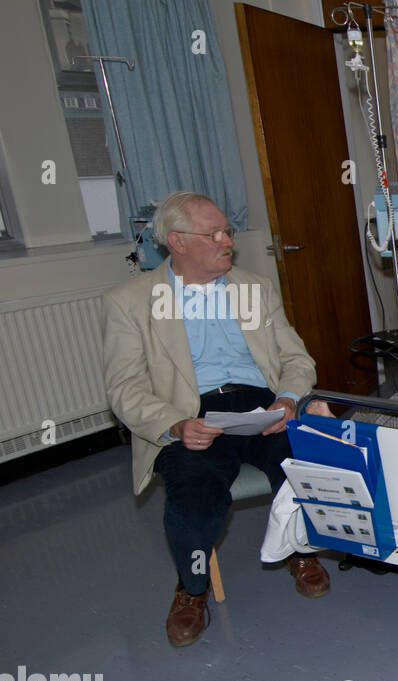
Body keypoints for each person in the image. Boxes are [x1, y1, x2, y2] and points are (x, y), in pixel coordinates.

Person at [102, 190, 333, 647]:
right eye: (215, 234)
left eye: (227, 231)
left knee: (310, 463)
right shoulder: (129, 302)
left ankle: (299, 549)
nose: (228, 240)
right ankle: (192, 589)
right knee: (193, 497)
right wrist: (175, 426)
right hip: (189, 414)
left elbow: (297, 359)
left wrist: (286, 402)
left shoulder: (254, 289)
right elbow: (124, 388)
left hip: (262, 405)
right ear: (178, 242)